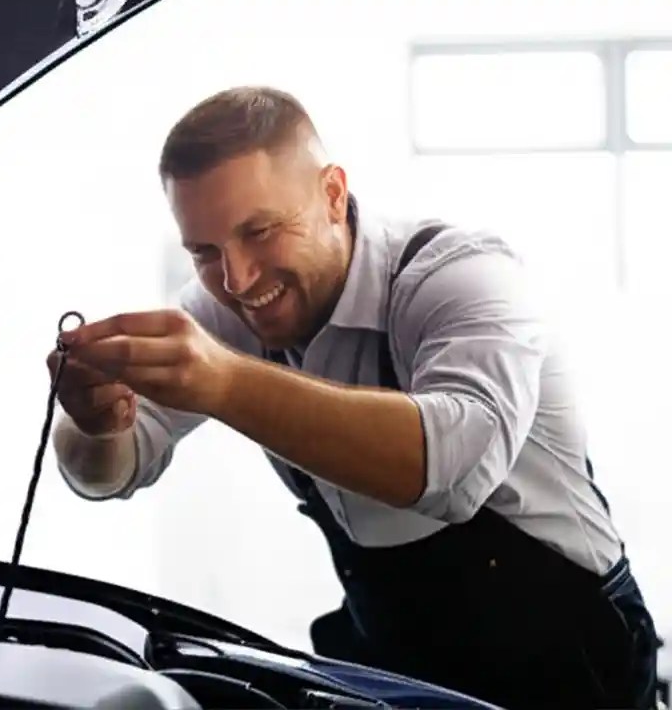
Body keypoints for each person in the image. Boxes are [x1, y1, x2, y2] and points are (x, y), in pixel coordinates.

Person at [48, 85, 658, 709]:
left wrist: (225, 383)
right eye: (204, 252)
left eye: (260, 231)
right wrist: (95, 425)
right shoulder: (221, 309)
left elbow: (455, 473)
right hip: (402, 654)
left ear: (333, 194)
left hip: (572, 655)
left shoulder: (462, 277)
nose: (237, 279)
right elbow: (113, 470)